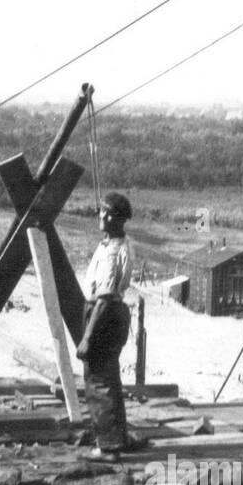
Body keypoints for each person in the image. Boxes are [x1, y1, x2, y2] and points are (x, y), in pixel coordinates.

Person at [76, 192, 147, 459]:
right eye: (101, 211)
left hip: (104, 314)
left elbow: (104, 299)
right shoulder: (109, 244)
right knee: (109, 379)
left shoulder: (115, 250)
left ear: (121, 220)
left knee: (98, 382)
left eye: (109, 214)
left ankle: (108, 446)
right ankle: (116, 436)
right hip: (107, 312)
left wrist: (87, 338)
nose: (103, 217)